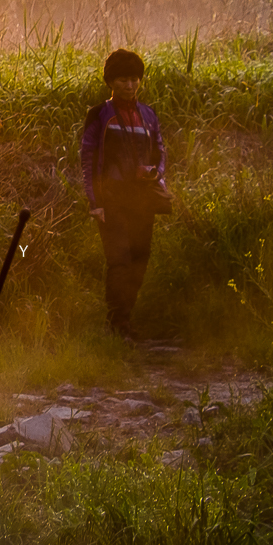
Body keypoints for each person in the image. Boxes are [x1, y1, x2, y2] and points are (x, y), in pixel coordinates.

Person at [78, 49, 169, 339]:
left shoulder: (148, 115)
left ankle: (125, 320)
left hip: (142, 199)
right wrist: (96, 202)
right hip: (112, 200)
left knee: (141, 259)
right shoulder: (100, 114)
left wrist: (156, 173)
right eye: (122, 80)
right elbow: (88, 158)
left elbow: (160, 151)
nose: (129, 85)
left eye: (134, 79)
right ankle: (117, 325)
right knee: (119, 261)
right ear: (110, 82)